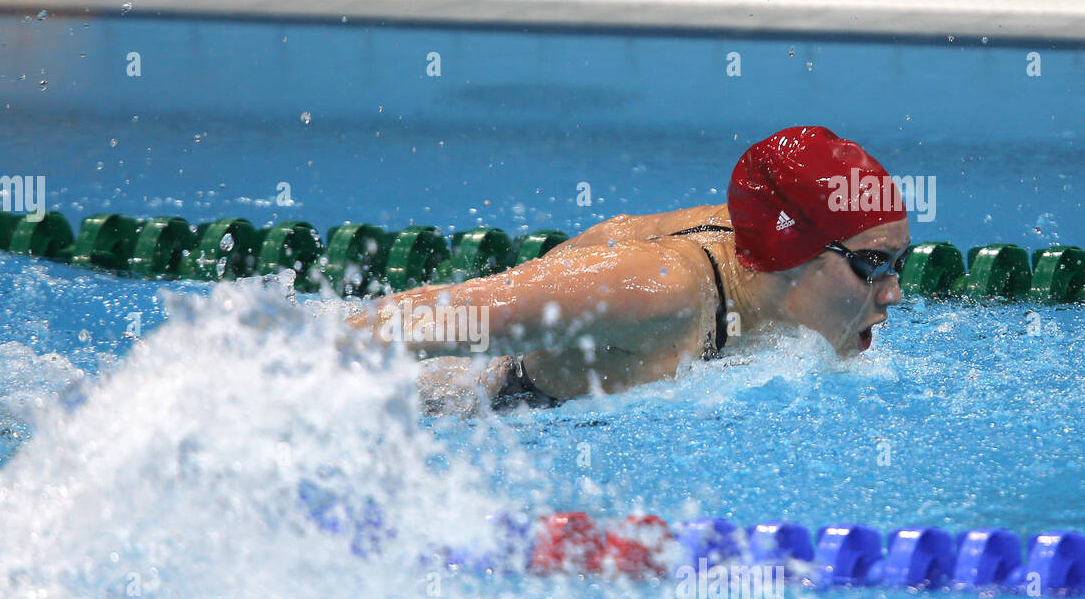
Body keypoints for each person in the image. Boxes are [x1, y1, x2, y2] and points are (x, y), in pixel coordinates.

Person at [349, 126, 912, 414]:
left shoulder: (765, 257)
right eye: (872, 265)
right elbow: (420, 321)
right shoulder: (659, 291)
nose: (893, 294)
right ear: (790, 257)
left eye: (897, 264)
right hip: (447, 398)